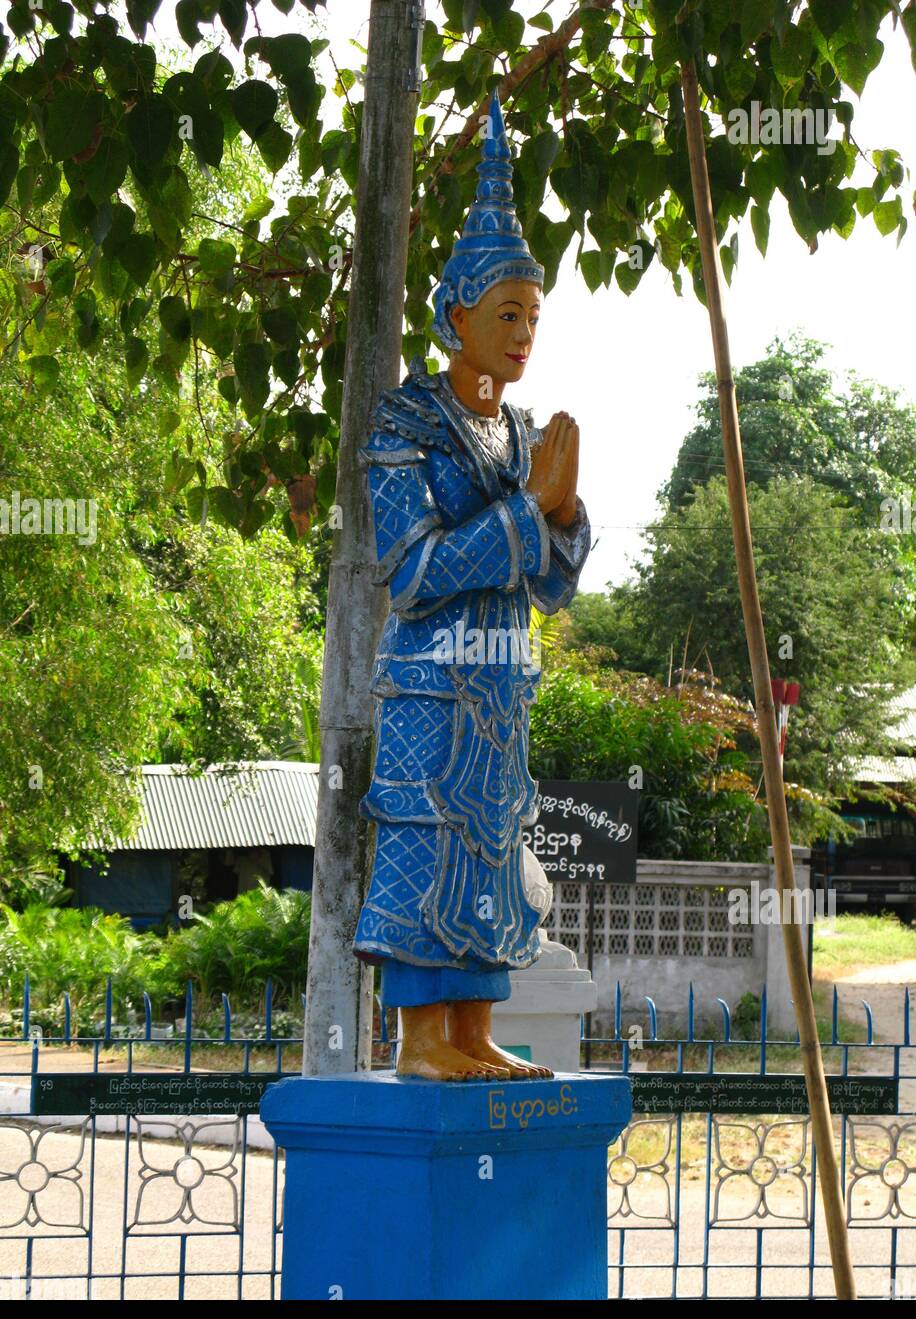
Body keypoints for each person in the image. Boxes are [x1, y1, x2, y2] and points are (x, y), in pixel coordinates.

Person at [353, 90, 590, 1081]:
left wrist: (565, 517)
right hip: (425, 690)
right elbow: (408, 574)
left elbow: (555, 590)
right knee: (424, 846)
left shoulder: (525, 433)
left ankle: (473, 1030)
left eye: (533, 315)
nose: (522, 333)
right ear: (456, 314)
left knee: (491, 849)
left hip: (498, 693)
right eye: (505, 314)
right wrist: (525, 512)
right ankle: (418, 1039)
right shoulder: (404, 426)